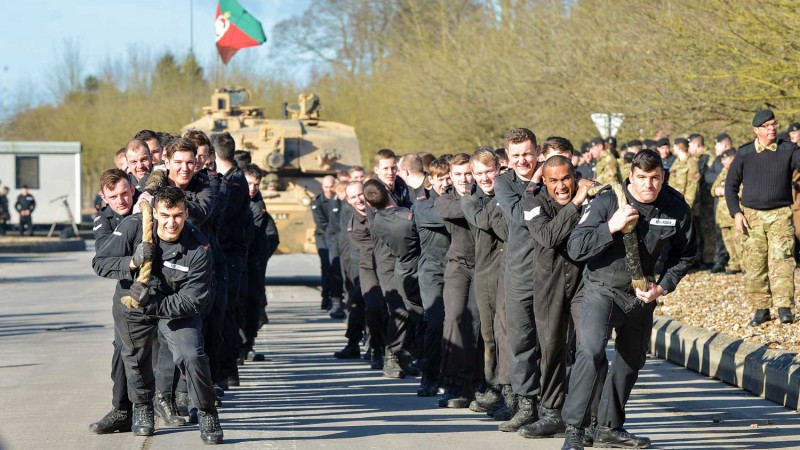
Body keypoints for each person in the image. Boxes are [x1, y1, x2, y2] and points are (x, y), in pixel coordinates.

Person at [561, 150, 696, 450]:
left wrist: (662, 287)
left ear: (663, 176)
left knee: (631, 360)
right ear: (631, 176)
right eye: (642, 178)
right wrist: (611, 226)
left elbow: (685, 254)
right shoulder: (610, 199)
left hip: (642, 294)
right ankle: (575, 430)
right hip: (603, 288)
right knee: (591, 350)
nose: (649, 185)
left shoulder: (674, 206)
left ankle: (609, 426)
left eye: (655, 178)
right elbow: (576, 246)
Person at [92, 186, 223, 444]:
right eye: (165, 215)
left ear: (186, 214)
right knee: (134, 356)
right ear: (155, 212)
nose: (171, 223)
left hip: (174, 308)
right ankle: (142, 408)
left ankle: (207, 411)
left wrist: (151, 303)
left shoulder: (198, 247)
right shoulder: (134, 226)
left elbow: (192, 300)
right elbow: (100, 262)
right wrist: (131, 262)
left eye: (177, 216)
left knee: (191, 355)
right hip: (132, 304)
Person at [725, 109, 800, 326]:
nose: (772, 129)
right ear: (756, 130)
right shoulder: (745, 153)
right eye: (767, 126)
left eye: (774, 124)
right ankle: (761, 309)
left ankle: (785, 307)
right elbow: (731, 187)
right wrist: (736, 213)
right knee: (755, 263)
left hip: (780, 215)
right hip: (752, 217)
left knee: (782, 261)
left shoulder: (788, 149)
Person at [494, 128, 543, 432]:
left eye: (527, 153)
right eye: (516, 156)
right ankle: (526, 403)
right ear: (508, 158)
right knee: (521, 340)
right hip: (521, 272)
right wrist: (536, 185)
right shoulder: (504, 182)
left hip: (553, 272)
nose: (522, 160)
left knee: (554, 343)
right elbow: (517, 215)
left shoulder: (556, 175)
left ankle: (554, 405)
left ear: (537, 151)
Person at [460, 148, 509, 415]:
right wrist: (504, 194)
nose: (484, 178)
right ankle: (494, 387)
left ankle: (514, 388)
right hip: (488, 272)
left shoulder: (511, 191)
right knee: (490, 335)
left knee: (512, 334)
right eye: (478, 173)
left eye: (489, 171)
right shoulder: (470, 201)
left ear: (499, 168)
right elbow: (485, 221)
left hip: (513, 269)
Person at [89, 169, 137, 434]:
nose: (120, 201)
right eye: (113, 197)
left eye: (124, 193)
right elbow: (104, 260)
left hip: (165, 290)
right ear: (104, 197)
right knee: (122, 350)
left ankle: (177, 403)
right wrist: (131, 262)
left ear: (132, 188)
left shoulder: (150, 204)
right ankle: (121, 410)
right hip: (129, 291)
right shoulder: (104, 220)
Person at [434, 153, 480, 408]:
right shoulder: (445, 201)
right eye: (458, 174)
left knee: (476, 322)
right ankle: (452, 384)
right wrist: (478, 199)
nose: (464, 179)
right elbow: (458, 210)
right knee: (454, 317)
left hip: (484, 267)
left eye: (467, 173)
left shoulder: (485, 195)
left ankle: (476, 382)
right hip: (458, 267)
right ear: (450, 177)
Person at [412, 157, 452, 396]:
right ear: (431, 181)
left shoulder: (462, 200)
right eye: (441, 178)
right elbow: (446, 217)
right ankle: (429, 376)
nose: (446, 182)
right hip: (433, 272)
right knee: (435, 323)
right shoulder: (423, 205)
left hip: (458, 270)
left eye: (449, 177)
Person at [711, 150, 741, 274]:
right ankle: (734, 264)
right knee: (728, 242)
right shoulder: (723, 172)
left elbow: (743, 191)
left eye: (726, 159)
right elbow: (713, 189)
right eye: (722, 159)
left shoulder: (740, 171)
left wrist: (725, 191)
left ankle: (744, 265)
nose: (723, 161)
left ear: (733, 158)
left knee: (739, 241)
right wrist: (717, 190)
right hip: (722, 215)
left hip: (734, 214)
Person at [708, 133, 734, 273]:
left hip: (733, 206)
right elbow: (708, 176)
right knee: (721, 235)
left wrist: (726, 187)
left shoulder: (737, 157)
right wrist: (719, 187)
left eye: (716, 145)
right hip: (719, 205)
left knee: (736, 237)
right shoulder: (718, 161)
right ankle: (722, 260)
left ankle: (736, 263)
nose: (714, 148)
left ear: (724, 145)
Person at [312, 175, 335, 310]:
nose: (329, 190)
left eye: (331, 186)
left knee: (336, 267)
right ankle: (326, 297)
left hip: (336, 236)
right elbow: (320, 221)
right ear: (322, 187)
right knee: (326, 265)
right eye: (326, 187)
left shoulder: (339, 199)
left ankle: (336, 296)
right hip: (323, 236)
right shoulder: (317, 201)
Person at [668, 138, 700, 211]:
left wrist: (686, 206)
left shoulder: (692, 163)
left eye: (674, 146)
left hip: (684, 205)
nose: (673, 148)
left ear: (678, 147)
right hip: (674, 202)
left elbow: (692, 187)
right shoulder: (676, 162)